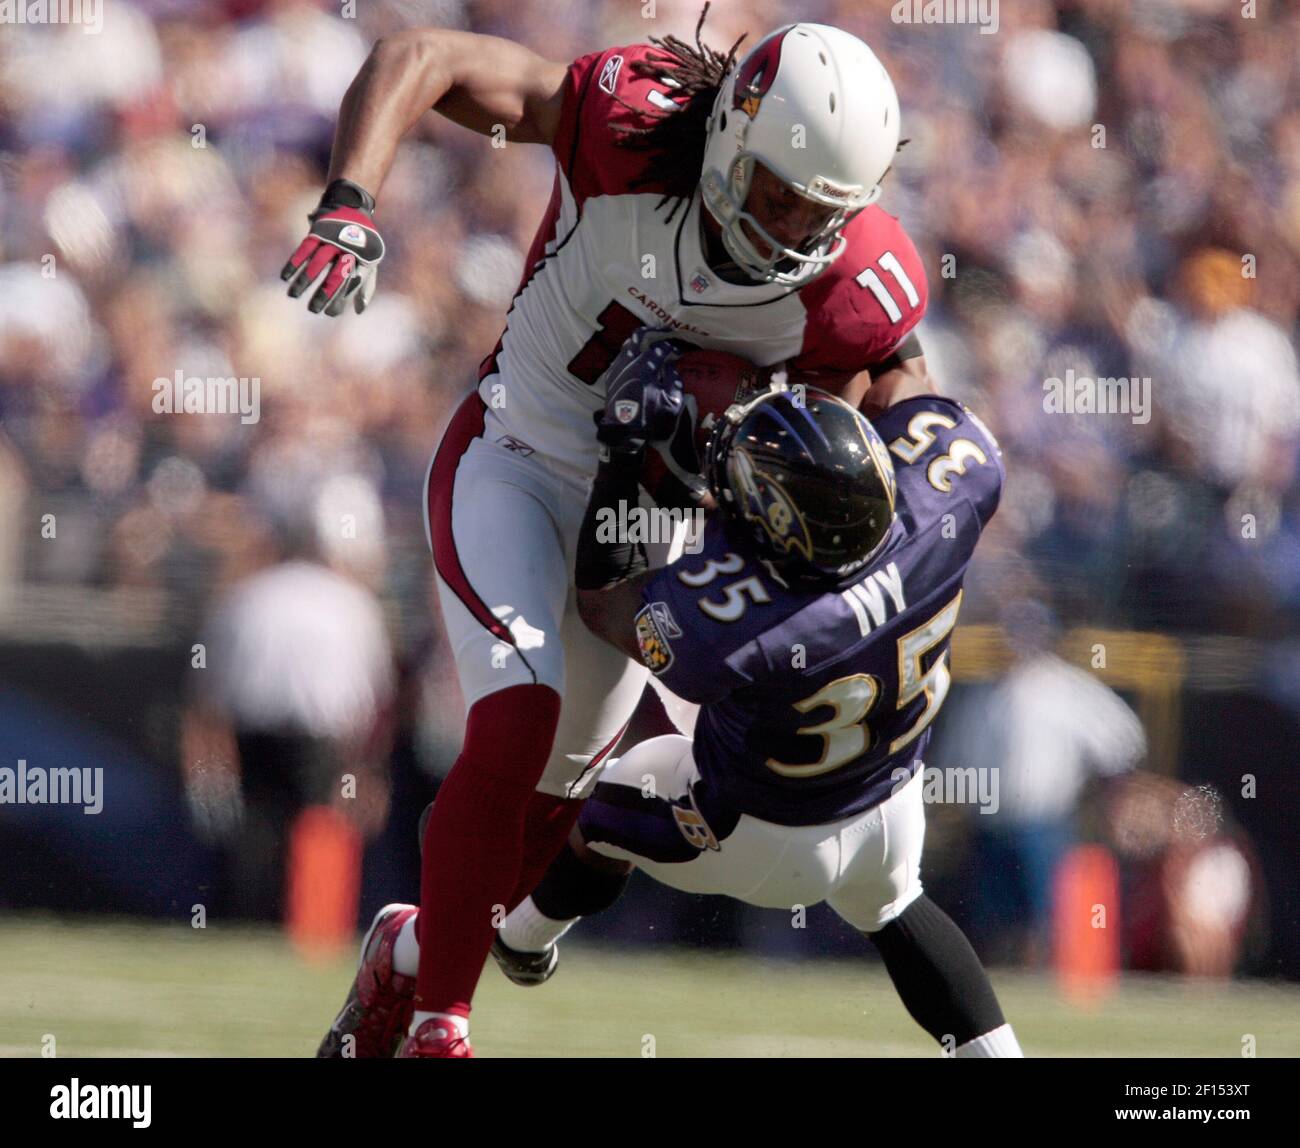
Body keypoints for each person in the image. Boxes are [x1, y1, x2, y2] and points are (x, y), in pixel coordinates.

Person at [293, 10, 932, 1057]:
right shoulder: (625, 124)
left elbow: (895, 375)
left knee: (537, 835)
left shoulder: (848, 277)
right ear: (732, 134)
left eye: (819, 207)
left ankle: (405, 956)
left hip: (644, 519)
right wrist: (352, 202)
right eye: (775, 190)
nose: (789, 225)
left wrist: (874, 466)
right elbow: (421, 53)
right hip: (513, 454)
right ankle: (440, 1027)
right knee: (513, 717)